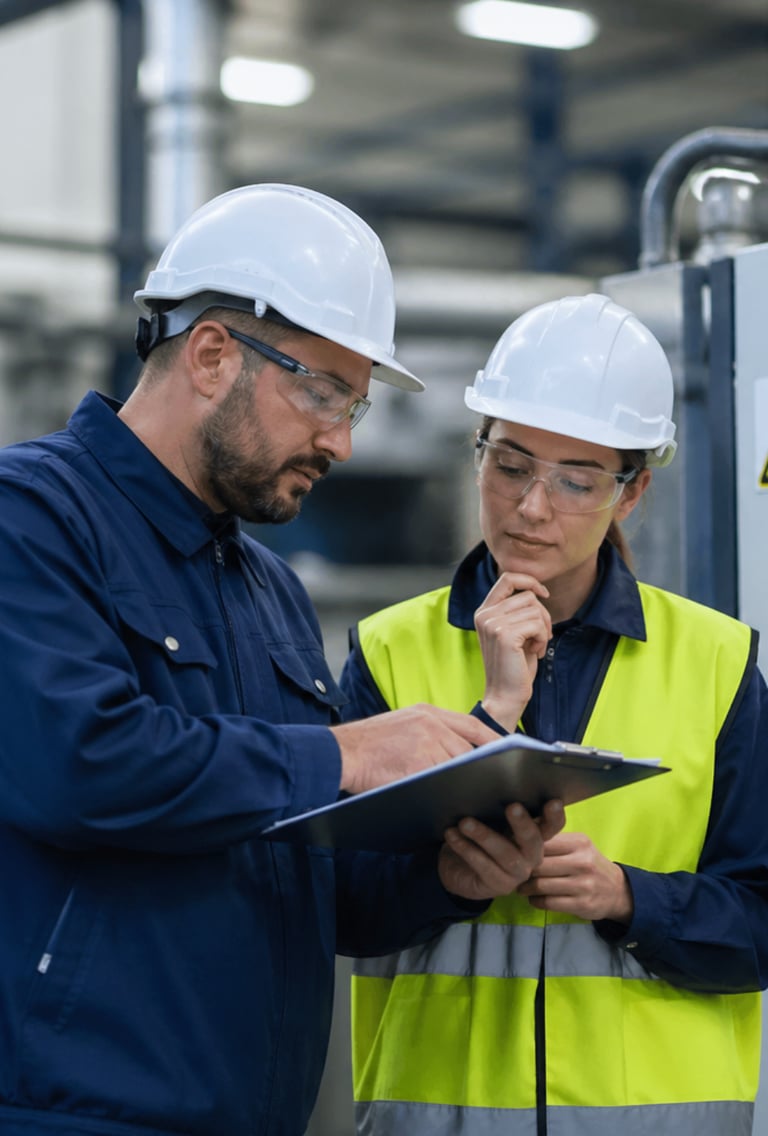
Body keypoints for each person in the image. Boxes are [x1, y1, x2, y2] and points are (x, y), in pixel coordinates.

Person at [0, 184, 566, 1136]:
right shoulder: (32, 517)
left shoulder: (270, 588)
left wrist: (450, 879)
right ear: (215, 353)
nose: (342, 439)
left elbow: (311, 880)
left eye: (356, 403)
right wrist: (351, 752)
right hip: (76, 1110)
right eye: (325, 393)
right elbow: (78, 765)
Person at [341, 293, 768, 1136]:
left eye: (576, 481)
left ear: (632, 491)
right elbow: (339, 908)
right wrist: (492, 721)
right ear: (477, 454)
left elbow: (759, 917)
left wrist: (628, 898)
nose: (532, 507)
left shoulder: (718, 664)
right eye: (510, 465)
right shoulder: (387, 651)